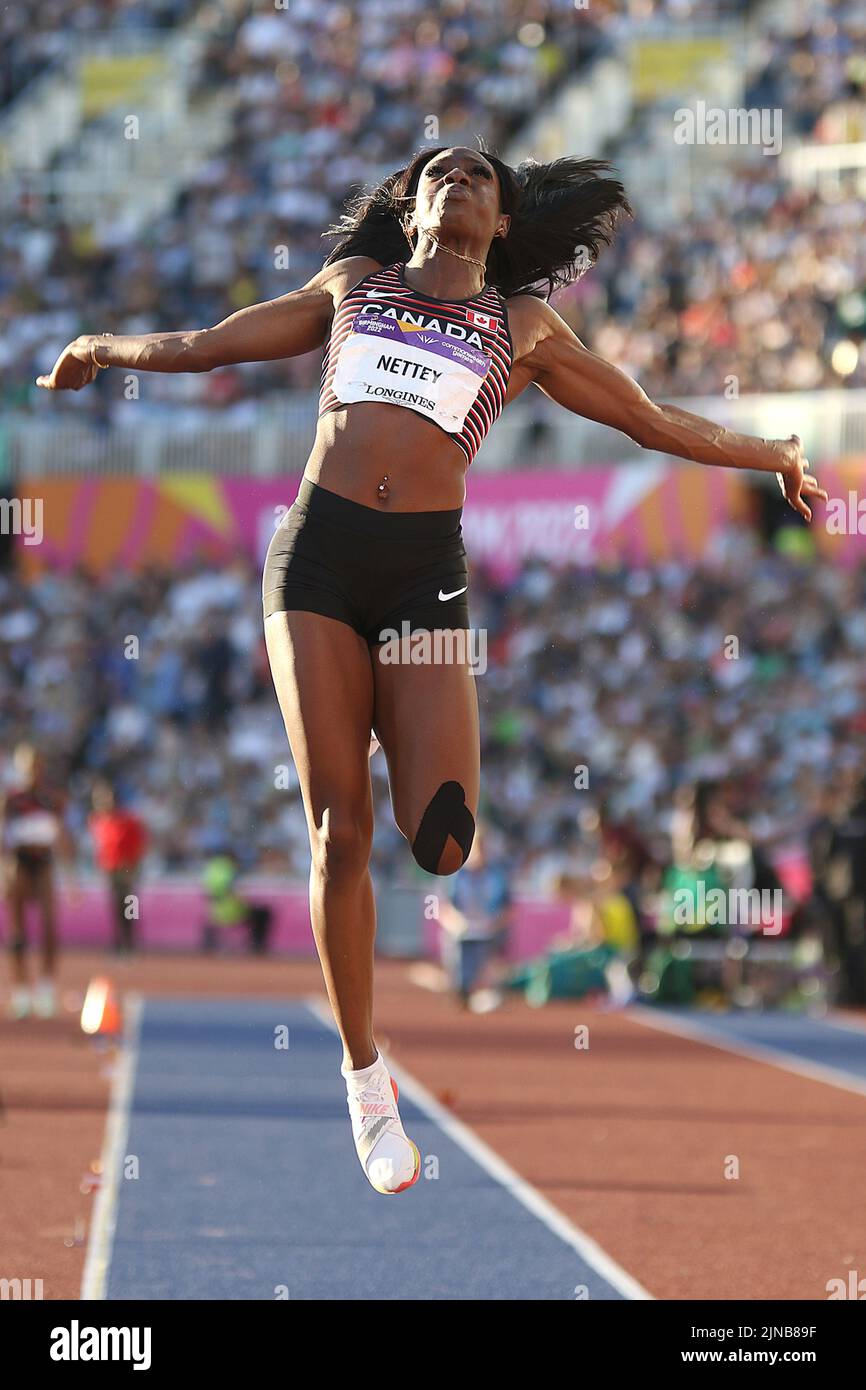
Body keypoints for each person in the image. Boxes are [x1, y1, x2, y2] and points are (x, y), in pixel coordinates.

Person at [36, 141, 827, 1194]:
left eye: (480, 179)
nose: (458, 180)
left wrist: (770, 452)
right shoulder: (352, 286)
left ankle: (408, 783)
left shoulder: (523, 328)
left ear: (500, 224)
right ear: (411, 203)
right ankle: (366, 1079)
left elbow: (645, 419)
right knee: (337, 827)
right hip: (316, 558)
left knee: (444, 841)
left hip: (421, 577)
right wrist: (105, 347)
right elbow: (211, 343)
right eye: (440, 171)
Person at [1, 744, 74, 1019]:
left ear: (41, 768)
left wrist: (71, 877)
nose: (31, 772)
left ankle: (45, 990)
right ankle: (21, 992)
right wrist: (3, 869)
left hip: (43, 863)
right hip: (19, 862)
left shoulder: (51, 799)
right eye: (26, 767)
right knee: (17, 931)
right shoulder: (11, 800)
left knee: (49, 928)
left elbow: (63, 837)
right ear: (19, 769)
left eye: (35, 766)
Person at [438, 822, 512, 1009]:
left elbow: (510, 908)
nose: (480, 851)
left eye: (483, 846)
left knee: (489, 965)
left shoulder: (498, 875)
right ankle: (462, 990)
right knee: (461, 971)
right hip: (462, 934)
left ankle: (488, 988)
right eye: (476, 846)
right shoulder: (455, 874)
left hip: (490, 933)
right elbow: (444, 907)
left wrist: (495, 924)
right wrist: (457, 924)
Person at [88, 780, 148, 956]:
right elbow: (101, 847)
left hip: (128, 870)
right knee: (116, 907)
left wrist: (134, 868)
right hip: (111, 870)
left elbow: (139, 844)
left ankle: (131, 944)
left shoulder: (127, 820)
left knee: (130, 907)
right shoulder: (97, 821)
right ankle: (119, 943)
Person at [200, 851, 272, 956]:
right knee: (263, 913)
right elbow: (233, 891)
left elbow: (210, 892)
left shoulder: (211, 868)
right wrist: (246, 902)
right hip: (233, 911)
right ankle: (257, 946)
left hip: (214, 913)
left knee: (257, 912)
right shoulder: (229, 870)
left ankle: (208, 946)